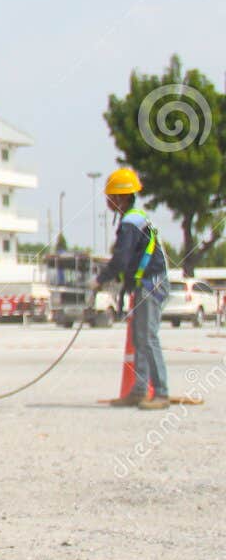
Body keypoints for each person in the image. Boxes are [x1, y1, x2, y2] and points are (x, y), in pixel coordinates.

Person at [95, 166, 170, 410]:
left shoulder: (130, 222)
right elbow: (131, 261)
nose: (108, 201)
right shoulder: (135, 218)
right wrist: (125, 284)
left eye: (111, 197)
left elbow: (121, 259)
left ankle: (161, 393)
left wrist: (100, 279)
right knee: (140, 338)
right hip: (146, 283)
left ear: (122, 197)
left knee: (148, 338)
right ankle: (139, 391)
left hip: (152, 283)